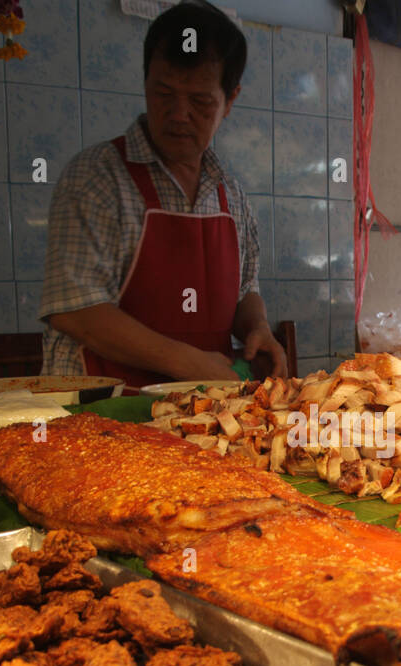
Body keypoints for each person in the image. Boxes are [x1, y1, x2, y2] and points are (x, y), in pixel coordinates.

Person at [39, 0, 286, 386]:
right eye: (164, 93)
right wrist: (188, 365)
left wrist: (258, 327)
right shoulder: (97, 177)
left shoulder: (230, 195)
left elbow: (245, 292)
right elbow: (77, 311)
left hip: (198, 421)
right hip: (101, 421)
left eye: (200, 101)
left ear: (229, 100)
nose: (178, 114)